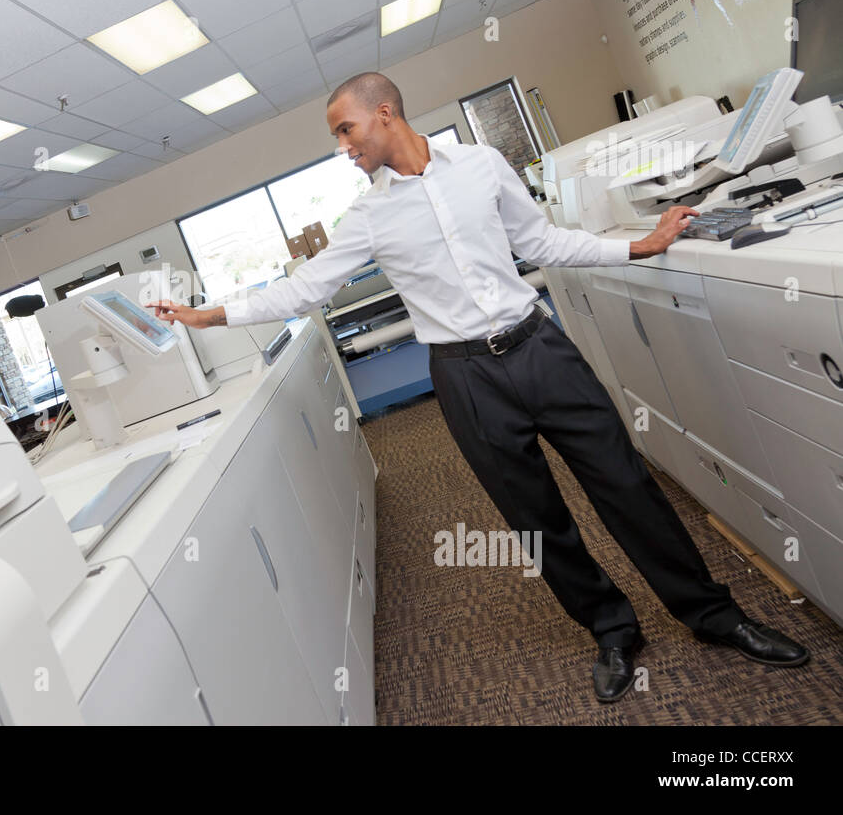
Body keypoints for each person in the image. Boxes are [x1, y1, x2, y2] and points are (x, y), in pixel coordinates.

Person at [148, 71, 808, 703]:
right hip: (466, 379)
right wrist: (209, 313)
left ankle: (714, 617)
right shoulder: (369, 218)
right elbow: (306, 289)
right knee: (535, 521)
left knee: (626, 485)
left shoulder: (482, 166)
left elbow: (543, 240)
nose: (344, 148)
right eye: (338, 138)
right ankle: (611, 631)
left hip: (539, 347)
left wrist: (641, 245)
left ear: (385, 113)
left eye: (346, 130)